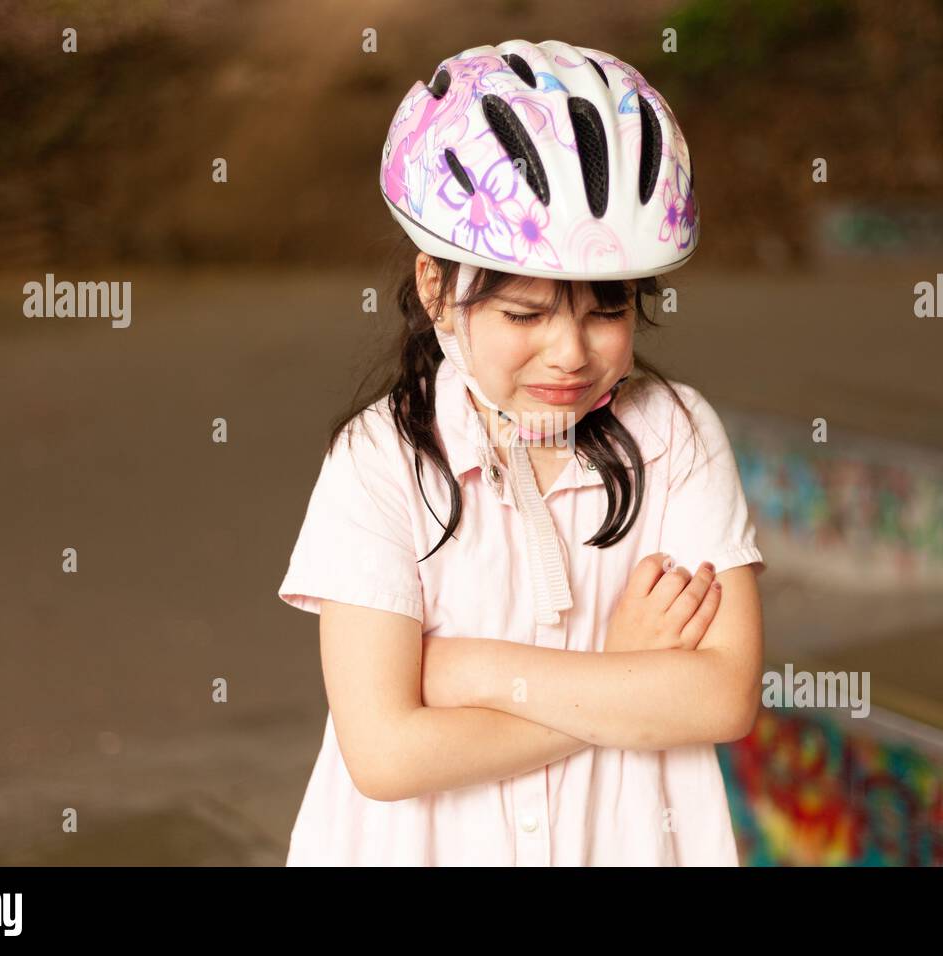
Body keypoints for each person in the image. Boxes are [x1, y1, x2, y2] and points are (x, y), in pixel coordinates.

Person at [277, 38, 765, 866]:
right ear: (436, 288)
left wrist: (463, 671)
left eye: (605, 312)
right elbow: (389, 755)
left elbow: (719, 697)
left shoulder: (677, 434)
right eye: (525, 314)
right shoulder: (379, 463)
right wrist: (620, 673)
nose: (570, 353)